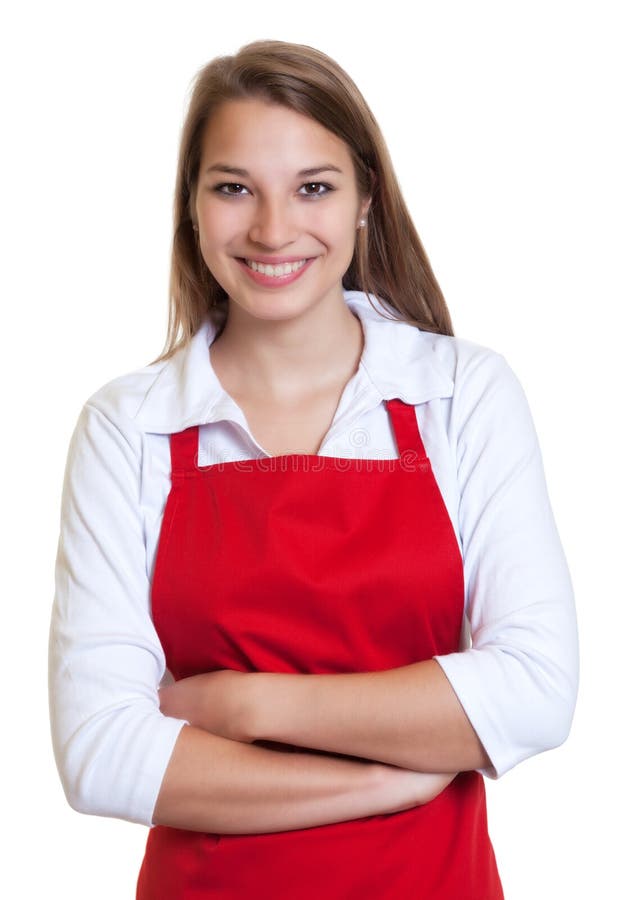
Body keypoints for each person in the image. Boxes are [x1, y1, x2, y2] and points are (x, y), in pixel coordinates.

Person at [48, 39, 579, 899]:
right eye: (233, 188)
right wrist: (385, 783)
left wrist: (247, 706)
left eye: (313, 188)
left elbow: (534, 691)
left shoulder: (461, 395)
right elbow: (102, 754)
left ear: (366, 198)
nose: (272, 229)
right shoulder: (128, 427)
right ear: (191, 206)